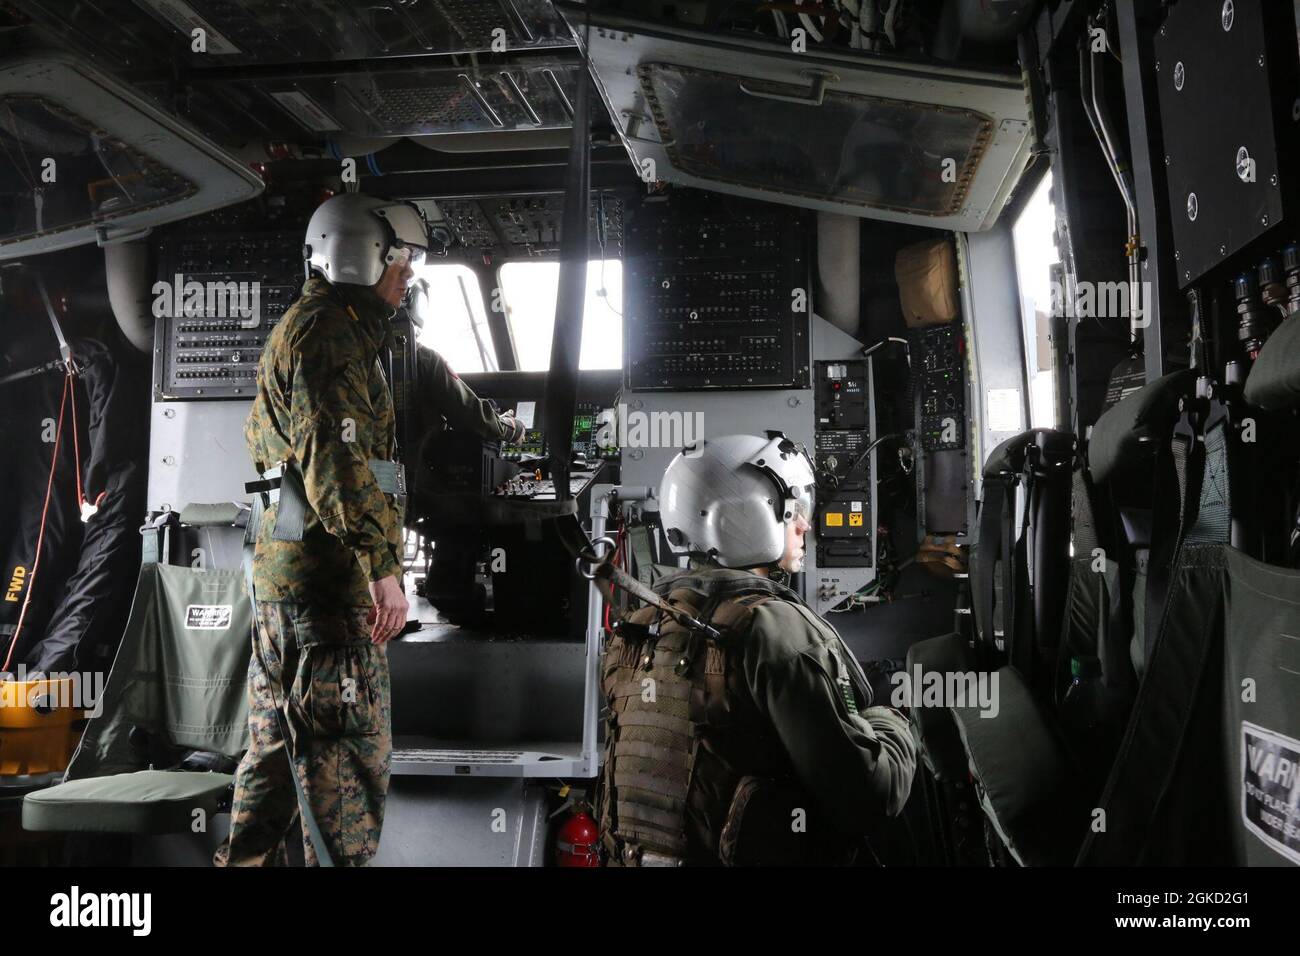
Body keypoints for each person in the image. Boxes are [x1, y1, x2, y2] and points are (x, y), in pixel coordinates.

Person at [215, 193, 523, 867]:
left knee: (274, 755)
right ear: (361, 257)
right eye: (401, 261)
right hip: (331, 594)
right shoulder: (330, 338)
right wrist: (383, 570)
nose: (409, 275)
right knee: (345, 763)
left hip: (285, 590)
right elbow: (337, 462)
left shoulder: (325, 328)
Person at [598, 432, 916, 866]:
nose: (804, 526)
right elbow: (870, 798)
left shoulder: (639, 623)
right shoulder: (776, 629)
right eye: (794, 512)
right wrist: (891, 720)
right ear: (750, 515)